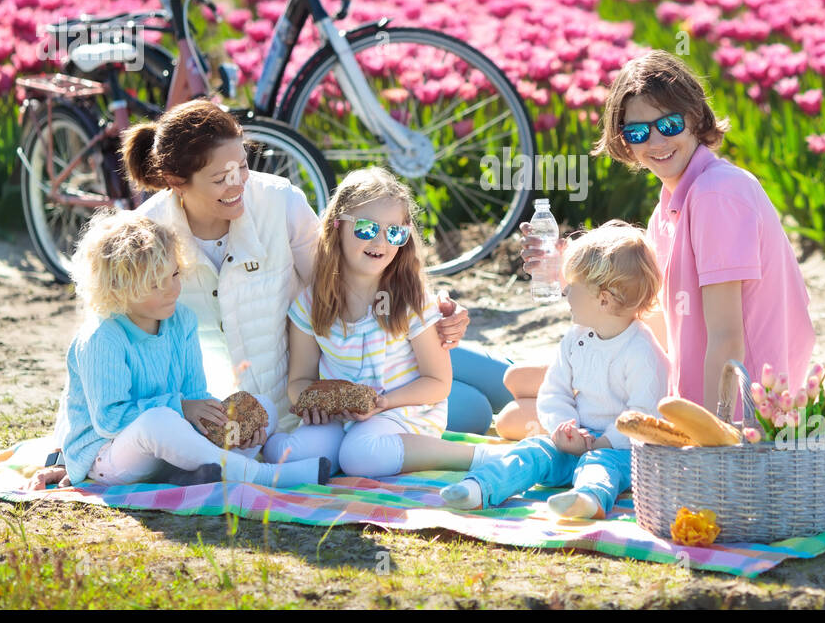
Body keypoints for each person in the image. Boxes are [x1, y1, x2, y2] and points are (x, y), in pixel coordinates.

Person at [28, 99, 488, 489]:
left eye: (243, 167)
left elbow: (347, 274)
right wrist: (66, 446)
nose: (238, 184)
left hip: (346, 360)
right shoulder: (149, 236)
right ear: (176, 183)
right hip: (275, 412)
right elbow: (98, 340)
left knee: (470, 395)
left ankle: (502, 373)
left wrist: (430, 305)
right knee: (475, 411)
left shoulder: (280, 202)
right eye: (220, 177)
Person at [496, 49, 815, 435]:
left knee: (517, 418)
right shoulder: (669, 207)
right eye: (637, 132)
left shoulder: (717, 194)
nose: (655, 140)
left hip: (739, 414)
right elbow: (653, 321)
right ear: (624, 142)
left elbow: (728, 338)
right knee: (518, 382)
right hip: (679, 384)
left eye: (669, 124)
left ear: (695, 118)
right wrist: (569, 274)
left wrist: (713, 441)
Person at [264, 167, 511, 478]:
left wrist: (383, 402)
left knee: (359, 454)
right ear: (337, 227)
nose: (380, 241)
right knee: (289, 456)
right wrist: (309, 402)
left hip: (403, 409)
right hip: (340, 417)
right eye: (366, 228)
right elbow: (299, 379)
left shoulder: (409, 299)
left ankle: (477, 456)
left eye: (394, 232)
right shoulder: (310, 303)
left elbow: (438, 382)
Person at [57, 210, 327, 488]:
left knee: (262, 407)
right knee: (158, 421)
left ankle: (191, 474)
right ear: (117, 289)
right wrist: (182, 408)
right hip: (109, 456)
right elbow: (110, 421)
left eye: (174, 274)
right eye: (155, 284)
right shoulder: (103, 337)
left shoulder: (181, 320)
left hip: (171, 444)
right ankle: (262, 475)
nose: (172, 289)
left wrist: (226, 427)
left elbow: (195, 397)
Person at [442, 222, 668, 517]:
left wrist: (601, 442)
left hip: (623, 451)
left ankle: (589, 499)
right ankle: (481, 487)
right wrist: (564, 427)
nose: (566, 293)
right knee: (535, 450)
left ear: (604, 300)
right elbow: (554, 390)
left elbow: (643, 417)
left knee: (600, 464)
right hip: (578, 440)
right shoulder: (577, 338)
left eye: (573, 288)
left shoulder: (642, 352)